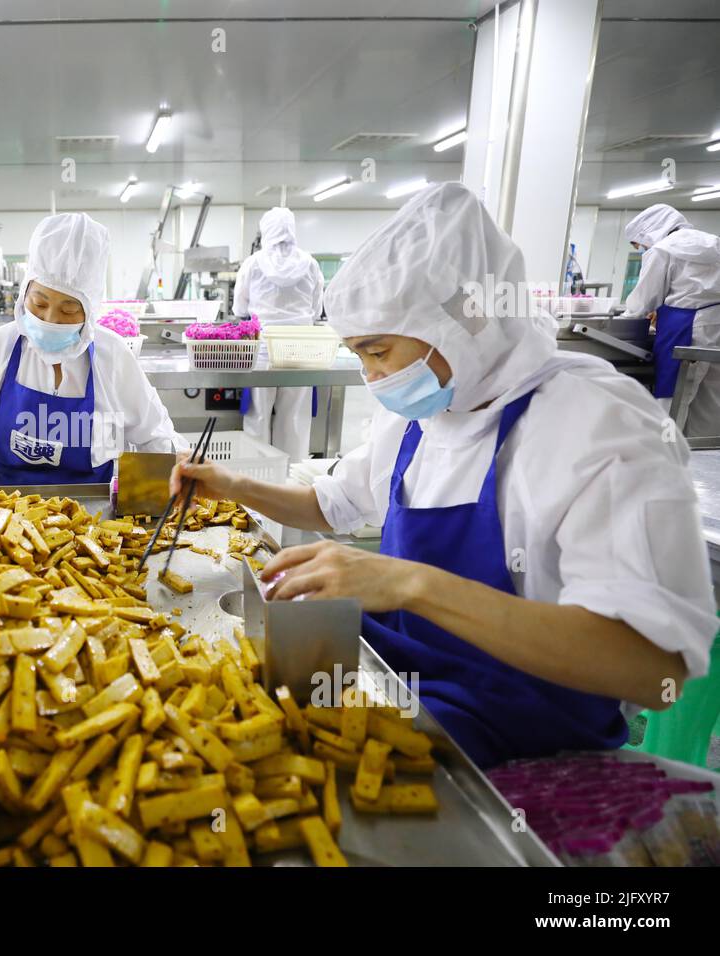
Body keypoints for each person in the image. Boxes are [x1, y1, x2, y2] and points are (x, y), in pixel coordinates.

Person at [170, 183, 715, 768]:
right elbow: (332, 504)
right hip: (403, 699)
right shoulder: (430, 411)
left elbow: (651, 664)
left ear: (462, 323)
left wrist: (412, 584)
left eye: (377, 351)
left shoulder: (596, 423)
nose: (370, 376)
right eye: (357, 354)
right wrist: (229, 484)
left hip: (529, 745)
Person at [0, 212, 185, 484]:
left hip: (92, 511)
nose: (50, 319)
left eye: (69, 309)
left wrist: (177, 461)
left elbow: (155, 436)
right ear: (25, 292)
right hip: (1, 507)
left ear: (90, 309)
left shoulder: (113, 357)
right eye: (38, 303)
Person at [233, 207, 324, 460]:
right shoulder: (311, 264)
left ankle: (256, 480)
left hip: (262, 351)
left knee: (258, 417)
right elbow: (316, 310)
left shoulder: (253, 263)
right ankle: (291, 480)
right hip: (301, 350)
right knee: (295, 418)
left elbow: (239, 308)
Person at [622, 203, 720, 436]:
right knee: (711, 404)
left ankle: (665, 461)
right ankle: (702, 466)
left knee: (673, 400)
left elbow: (642, 302)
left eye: (640, 245)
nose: (643, 250)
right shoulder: (714, 243)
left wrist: (625, 319)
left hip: (687, 331)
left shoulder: (663, 249)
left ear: (650, 232)